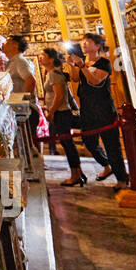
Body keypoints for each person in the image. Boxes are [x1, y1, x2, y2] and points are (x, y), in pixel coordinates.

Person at [67, 32, 129, 190]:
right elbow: (75, 79)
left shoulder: (104, 63)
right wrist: (73, 65)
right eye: (82, 42)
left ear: (97, 46)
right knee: (89, 141)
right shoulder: (83, 62)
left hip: (103, 108)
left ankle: (122, 179)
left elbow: (94, 81)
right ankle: (106, 165)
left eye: (87, 42)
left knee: (111, 145)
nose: (83, 44)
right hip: (87, 108)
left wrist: (82, 66)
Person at [38, 48, 86, 186]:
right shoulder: (51, 73)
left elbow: (59, 96)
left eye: (43, 56)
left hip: (61, 113)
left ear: (51, 59)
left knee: (67, 144)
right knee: (67, 144)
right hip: (60, 112)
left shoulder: (54, 74)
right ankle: (79, 173)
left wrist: (51, 112)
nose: (40, 58)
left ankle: (75, 175)